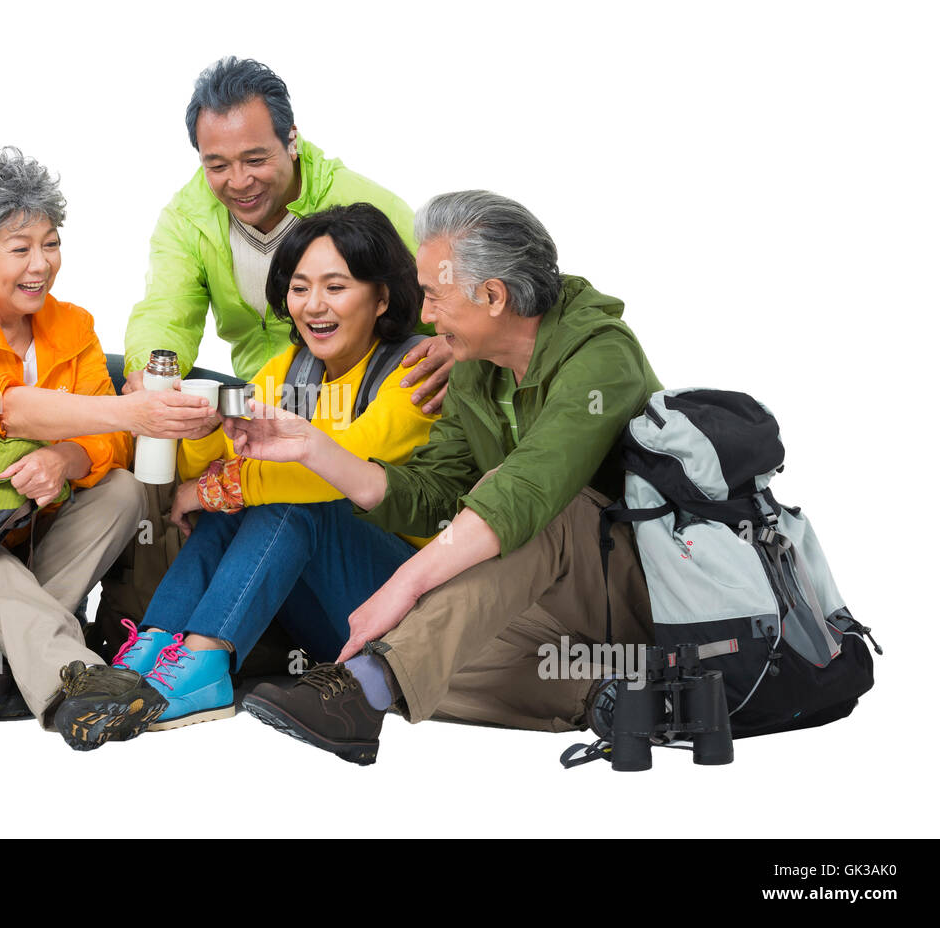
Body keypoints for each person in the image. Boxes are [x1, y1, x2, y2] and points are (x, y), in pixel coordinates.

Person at [233, 191, 663, 765]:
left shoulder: (602, 357)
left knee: (523, 498)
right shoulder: (472, 366)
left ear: (492, 296)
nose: (425, 317)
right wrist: (317, 450)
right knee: (429, 665)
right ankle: (610, 692)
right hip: (541, 610)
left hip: (624, 588)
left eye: (434, 296)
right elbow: (434, 495)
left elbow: (529, 491)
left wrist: (402, 586)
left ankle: (369, 684)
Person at [64, 203, 440, 743]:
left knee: (297, 495)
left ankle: (205, 663)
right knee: (249, 497)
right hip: (319, 616)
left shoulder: (413, 372)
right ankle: (153, 648)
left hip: (397, 607)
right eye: (300, 287)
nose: (313, 306)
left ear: (381, 297)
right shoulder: (291, 367)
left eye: (336, 287)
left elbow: (343, 468)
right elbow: (224, 457)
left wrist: (208, 490)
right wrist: (201, 436)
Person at [0, 147, 217, 752]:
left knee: (123, 487)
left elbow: (110, 443)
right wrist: (131, 409)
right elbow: (4, 406)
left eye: (51, 243)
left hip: (34, 542)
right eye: (20, 248)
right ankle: (76, 682)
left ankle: (7, 652)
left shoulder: (73, 325)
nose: (41, 264)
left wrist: (65, 459)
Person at [120, 56, 455, 415]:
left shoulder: (360, 203)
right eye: (217, 166)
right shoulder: (189, 217)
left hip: (361, 395)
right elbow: (166, 310)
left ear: (291, 140)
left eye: (255, 160)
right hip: (260, 395)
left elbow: (448, 277)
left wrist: (455, 342)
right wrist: (148, 372)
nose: (238, 181)